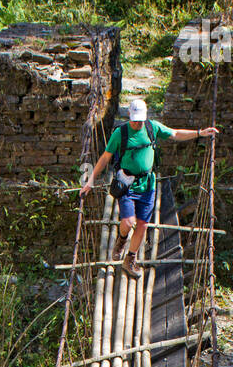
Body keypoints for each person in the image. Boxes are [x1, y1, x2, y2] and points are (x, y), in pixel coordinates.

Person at [83, 97, 218, 279]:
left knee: (143, 224)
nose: (138, 123)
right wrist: (90, 179)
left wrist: (200, 133)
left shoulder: (151, 127)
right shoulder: (120, 133)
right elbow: (106, 157)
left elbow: (175, 134)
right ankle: (122, 240)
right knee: (128, 222)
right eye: (135, 120)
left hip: (148, 184)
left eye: (140, 119)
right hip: (127, 183)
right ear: (130, 116)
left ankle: (129, 259)